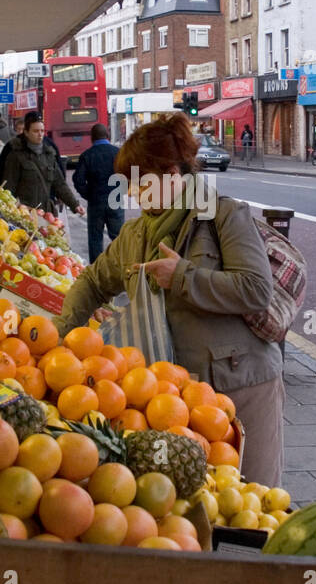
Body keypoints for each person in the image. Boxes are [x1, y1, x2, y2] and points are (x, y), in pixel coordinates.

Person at [54, 113, 283, 485]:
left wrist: (183, 277)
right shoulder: (136, 233)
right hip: (175, 400)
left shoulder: (223, 215)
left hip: (240, 386)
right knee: (196, 506)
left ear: (172, 173)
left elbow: (256, 289)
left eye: (141, 184)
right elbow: (92, 282)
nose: (132, 194)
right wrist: (60, 333)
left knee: (251, 498)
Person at [1, 111, 83, 215]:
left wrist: (74, 205)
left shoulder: (49, 154)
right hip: (24, 213)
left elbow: (60, 184)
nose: (40, 134)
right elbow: (8, 187)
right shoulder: (16, 156)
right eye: (35, 131)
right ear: (26, 132)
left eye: (42, 131)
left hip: (46, 213)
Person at [72, 123, 122, 262]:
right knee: (119, 238)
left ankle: (97, 271)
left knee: (95, 239)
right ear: (107, 136)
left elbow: (78, 180)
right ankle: (122, 266)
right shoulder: (118, 153)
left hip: (96, 202)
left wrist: (89, 195)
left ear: (91, 138)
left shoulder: (87, 156)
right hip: (115, 200)